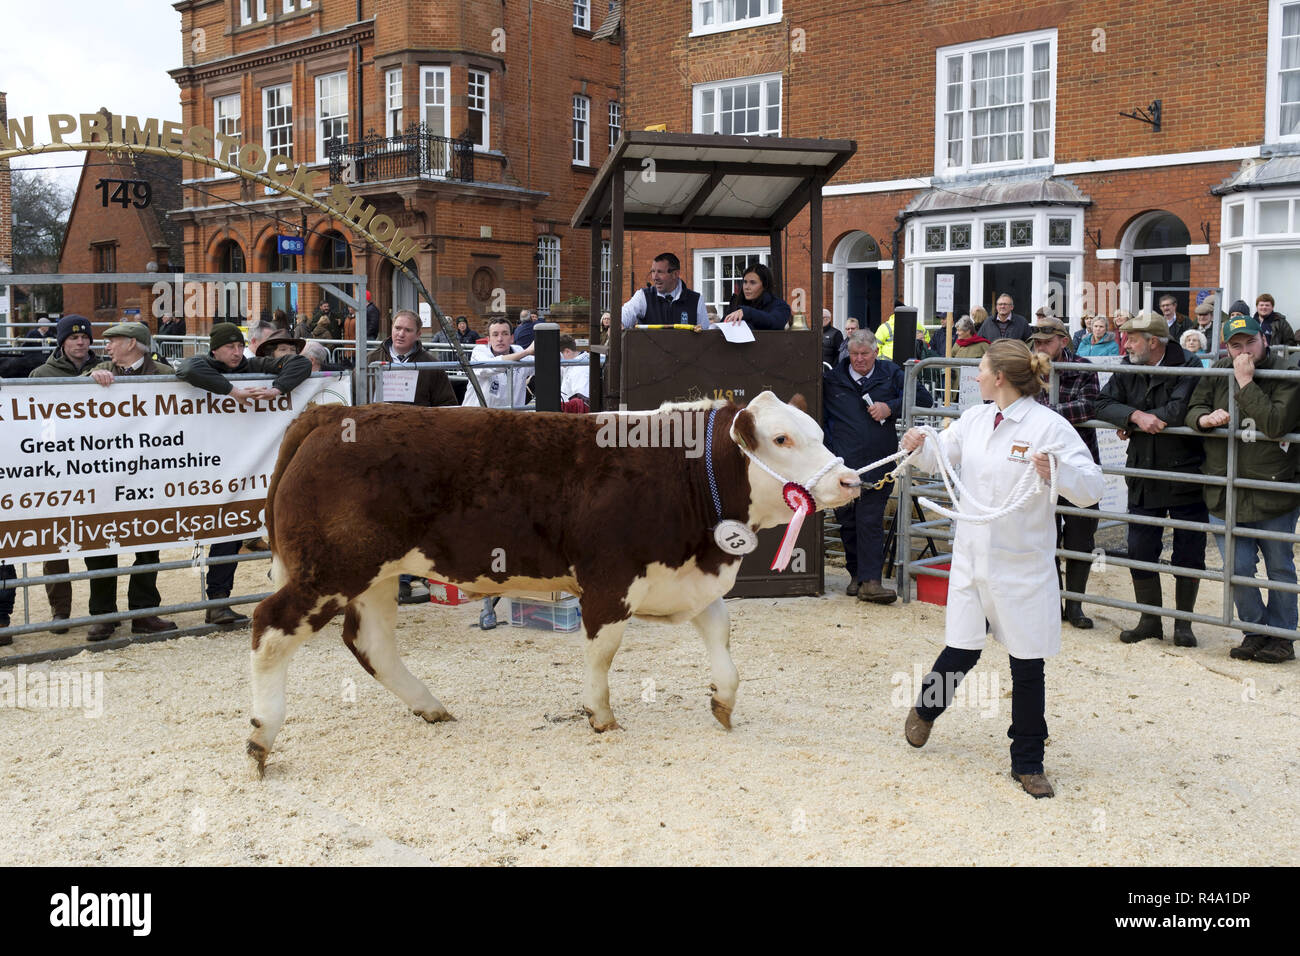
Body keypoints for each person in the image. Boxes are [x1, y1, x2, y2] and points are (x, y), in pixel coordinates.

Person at [900, 340, 1104, 799]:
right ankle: (925, 711)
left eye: (982, 369)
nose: (976, 376)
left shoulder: (1048, 427)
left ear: (1001, 378)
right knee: (961, 648)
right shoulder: (974, 419)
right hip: (972, 557)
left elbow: (1092, 487)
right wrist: (916, 445)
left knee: (1027, 665)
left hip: (1022, 563)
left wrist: (1055, 472)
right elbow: (939, 457)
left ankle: (1028, 762)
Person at [175, 324, 311, 626]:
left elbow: (300, 363)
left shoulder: (254, 366)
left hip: (258, 465)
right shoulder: (206, 365)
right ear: (215, 350)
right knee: (227, 533)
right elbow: (186, 368)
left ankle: (294, 597)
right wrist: (232, 390)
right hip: (219, 466)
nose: (236, 353)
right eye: (229, 347)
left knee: (278, 527)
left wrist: (276, 388)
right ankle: (219, 601)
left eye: (239, 346)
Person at [1187, 313, 1300, 663]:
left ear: (1263, 338)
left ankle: (1282, 637)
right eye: (1236, 345)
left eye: (1250, 342)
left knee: (1280, 567)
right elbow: (1194, 407)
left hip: (1273, 490)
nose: (1244, 351)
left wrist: (1246, 383)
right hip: (1225, 490)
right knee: (1237, 569)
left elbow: (1275, 424)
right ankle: (1255, 630)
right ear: (1226, 346)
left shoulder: (1288, 374)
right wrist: (1204, 420)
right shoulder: (1219, 369)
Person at [1095, 311, 1207, 647]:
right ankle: (1150, 619)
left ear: (1153, 342)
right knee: (1141, 546)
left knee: (1189, 550)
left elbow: (1177, 411)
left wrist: (1139, 420)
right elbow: (1102, 402)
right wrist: (1133, 416)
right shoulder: (1130, 366)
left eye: (1132, 338)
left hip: (1185, 469)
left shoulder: (1188, 366)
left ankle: (1184, 624)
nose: (1126, 343)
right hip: (1144, 468)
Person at [82, 323, 180, 641]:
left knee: (148, 542)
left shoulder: (164, 373)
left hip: (149, 473)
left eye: (113, 341)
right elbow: (64, 399)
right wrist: (88, 381)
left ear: (134, 343)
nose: (106, 346)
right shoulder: (98, 369)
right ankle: (103, 616)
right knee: (99, 544)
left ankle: (143, 612)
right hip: (103, 473)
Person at [823, 329, 933, 603]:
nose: (859, 359)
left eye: (865, 354)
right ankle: (856, 576)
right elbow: (820, 414)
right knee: (847, 521)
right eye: (854, 354)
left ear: (875, 352)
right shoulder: (833, 379)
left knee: (870, 520)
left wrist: (890, 407)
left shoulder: (890, 373)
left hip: (877, 462)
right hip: (842, 463)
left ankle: (871, 581)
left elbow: (924, 398)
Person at [27, 316, 101, 633]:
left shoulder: (108, 367)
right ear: (62, 343)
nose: (80, 343)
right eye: (73, 339)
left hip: (97, 466)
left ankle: (102, 611)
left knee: (99, 542)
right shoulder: (41, 374)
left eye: (84, 337)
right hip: (56, 468)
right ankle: (61, 611)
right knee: (56, 542)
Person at [1030, 317, 1102, 629]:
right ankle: (1051, 603)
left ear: (1063, 340)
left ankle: (1075, 606)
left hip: (1076, 463)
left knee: (1080, 537)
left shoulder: (1083, 366)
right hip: (1040, 465)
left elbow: (1091, 406)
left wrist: (1045, 417)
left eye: (1046, 341)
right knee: (1043, 536)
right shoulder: (1030, 368)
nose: (1040, 346)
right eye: (1037, 341)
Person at [369, 309, 457, 408]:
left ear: (418, 335)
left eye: (408, 330)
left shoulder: (432, 366)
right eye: (397, 328)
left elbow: (447, 405)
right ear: (391, 328)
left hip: (416, 422)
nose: (401, 334)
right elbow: (353, 397)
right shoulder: (370, 360)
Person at [620, 252, 709, 329]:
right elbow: (626, 312)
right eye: (653, 271)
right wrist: (619, 322)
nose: (655, 277)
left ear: (675, 274)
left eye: (660, 272)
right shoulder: (643, 296)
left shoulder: (696, 300)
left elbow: (705, 335)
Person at [462, 317, 533, 408]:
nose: (500, 339)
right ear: (489, 339)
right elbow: (490, 367)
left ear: (512, 338)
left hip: (511, 418)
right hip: (478, 417)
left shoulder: (519, 351)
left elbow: (543, 364)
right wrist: (526, 352)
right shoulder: (479, 352)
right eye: (495, 335)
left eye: (505, 334)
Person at [721, 262, 791, 331]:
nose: (746, 287)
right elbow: (722, 326)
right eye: (745, 282)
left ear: (764, 285)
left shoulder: (780, 305)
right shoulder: (736, 302)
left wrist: (747, 313)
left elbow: (776, 322)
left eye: (753, 283)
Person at [558, 335, 591, 413]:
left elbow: (580, 404)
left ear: (567, 352)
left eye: (557, 356)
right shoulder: (569, 363)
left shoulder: (580, 371)